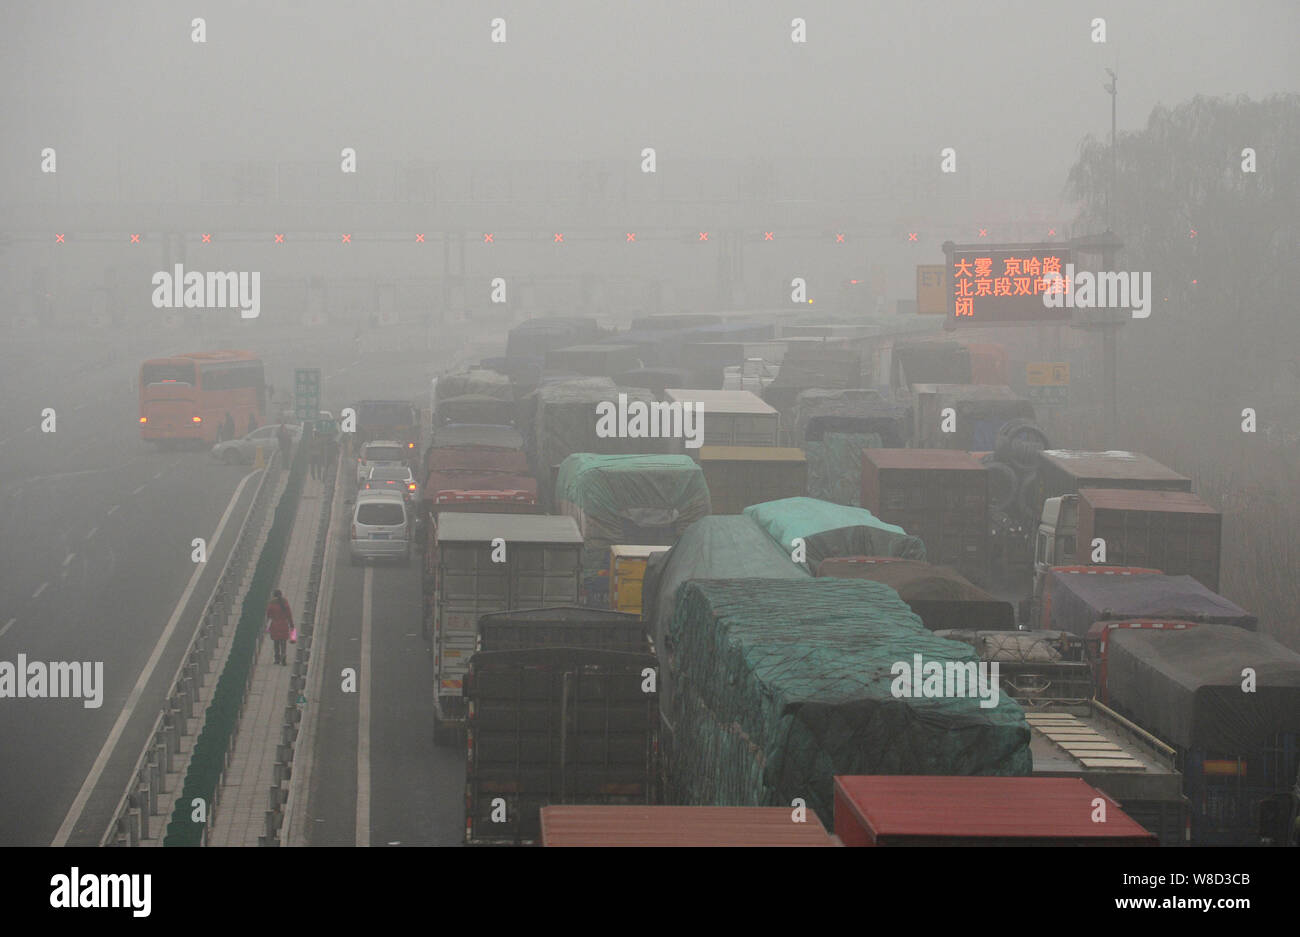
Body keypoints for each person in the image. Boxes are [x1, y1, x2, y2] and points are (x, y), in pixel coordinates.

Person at [265, 589, 294, 665]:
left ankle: (277, 658)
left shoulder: (272, 603)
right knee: (283, 642)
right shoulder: (285, 602)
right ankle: (283, 656)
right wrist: (291, 624)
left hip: (275, 625)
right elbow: (289, 614)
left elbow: (268, 614)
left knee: (276, 642)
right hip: (284, 624)